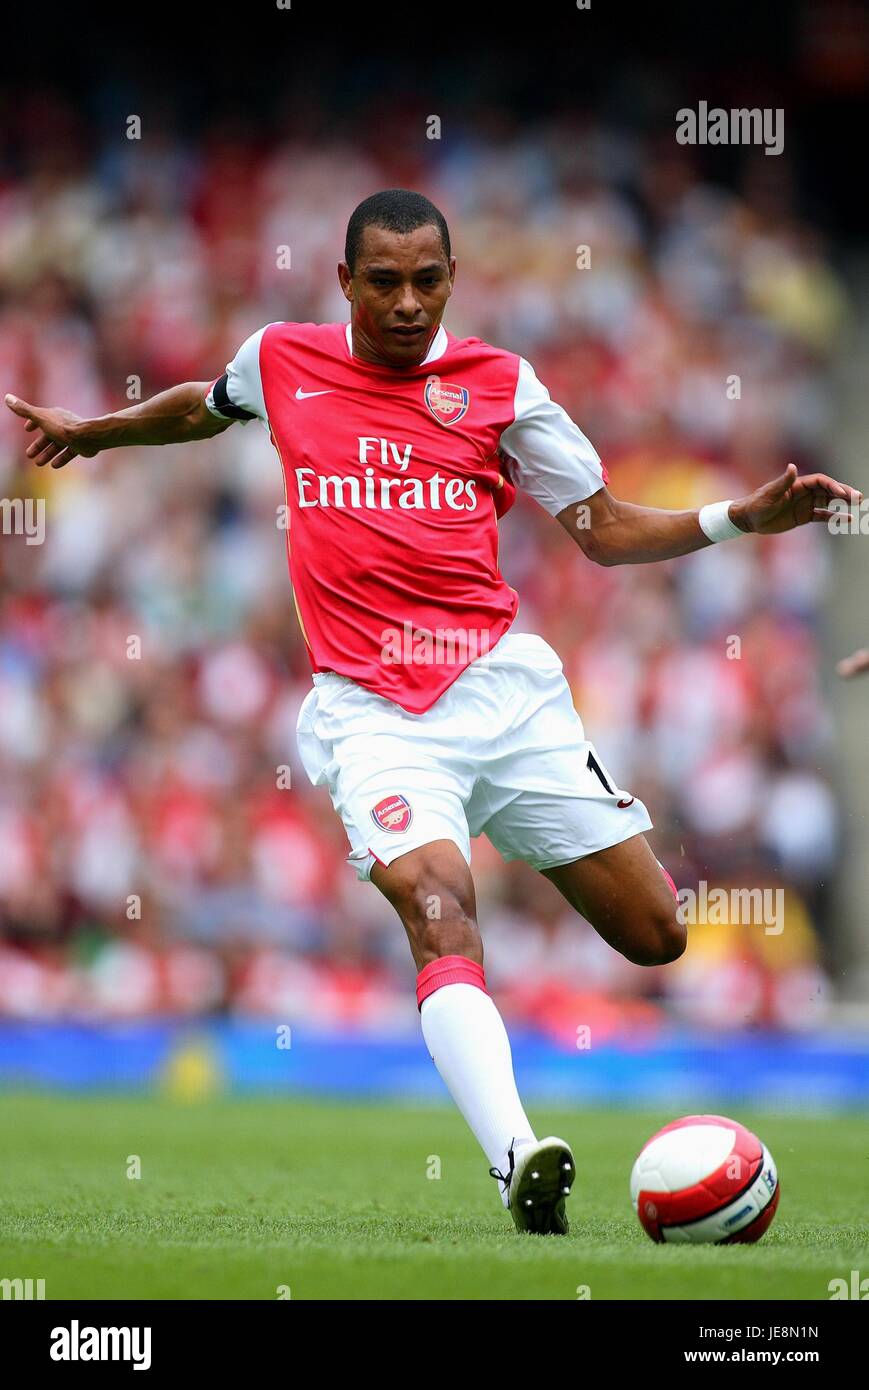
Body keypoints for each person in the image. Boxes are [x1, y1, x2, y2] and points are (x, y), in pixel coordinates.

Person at [6, 188, 861, 1235]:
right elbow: (203, 402)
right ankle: (516, 1158)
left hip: (505, 694)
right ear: (344, 283)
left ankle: (527, 880)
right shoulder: (282, 358)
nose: (407, 303)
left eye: (427, 280)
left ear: (451, 278)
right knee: (436, 903)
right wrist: (97, 434)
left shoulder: (501, 386)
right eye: (384, 282)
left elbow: (599, 528)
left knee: (656, 935)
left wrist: (740, 517)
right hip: (374, 712)